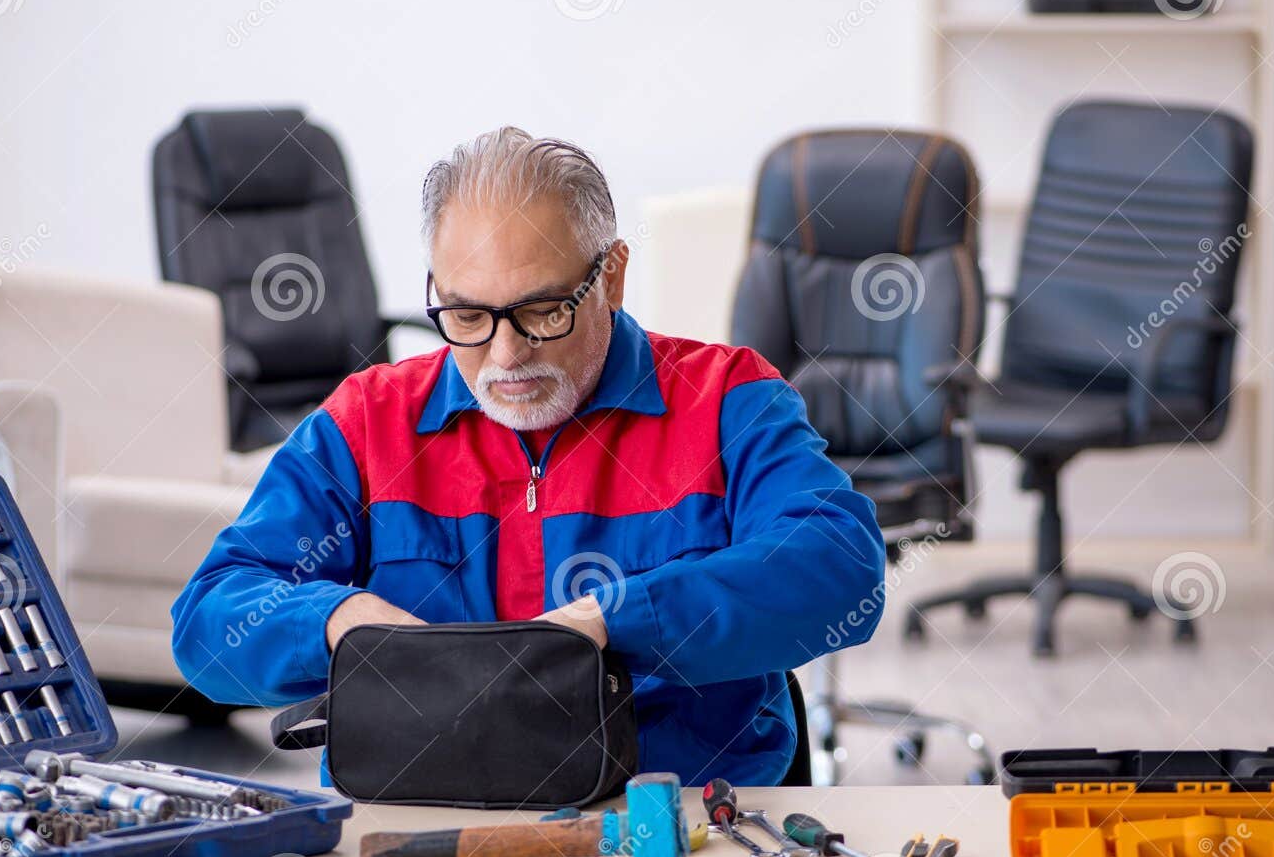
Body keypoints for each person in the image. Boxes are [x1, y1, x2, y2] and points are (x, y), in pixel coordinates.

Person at [172, 126, 885, 785]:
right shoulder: (367, 422)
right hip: (421, 831)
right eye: (467, 316)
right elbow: (207, 624)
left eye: (544, 311)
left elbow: (840, 567)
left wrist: (613, 621)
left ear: (611, 276)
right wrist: (338, 623)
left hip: (678, 829)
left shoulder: (728, 400)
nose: (506, 356)